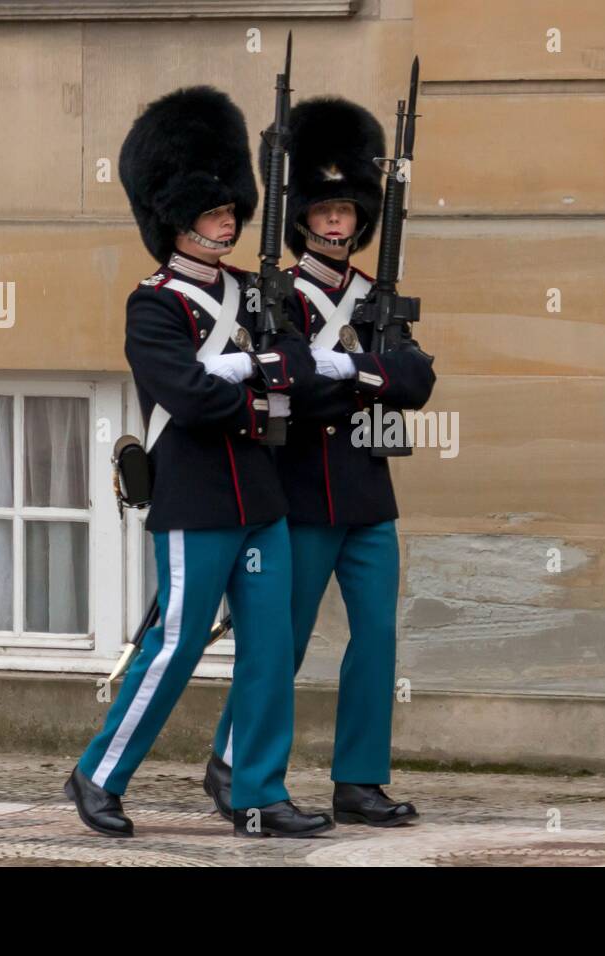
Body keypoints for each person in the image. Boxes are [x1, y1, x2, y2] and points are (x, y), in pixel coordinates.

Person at [64, 85, 330, 839]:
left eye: (230, 212)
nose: (228, 222)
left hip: (260, 497)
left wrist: (277, 370)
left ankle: (257, 788)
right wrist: (259, 385)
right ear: (179, 221)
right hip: (194, 494)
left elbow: (303, 370)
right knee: (176, 643)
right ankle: (100, 772)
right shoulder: (152, 305)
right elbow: (185, 395)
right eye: (215, 214)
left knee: (272, 646)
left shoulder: (257, 291)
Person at [203, 96, 436, 827]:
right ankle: (234, 763)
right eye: (324, 210)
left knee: (376, 639)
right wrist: (361, 375)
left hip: (367, 494)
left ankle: (359, 779)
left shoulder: (374, 295)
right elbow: (291, 383)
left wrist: (351, 372)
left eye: (346, 210)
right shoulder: (277, 294)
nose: (336, 222)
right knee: (283, 643)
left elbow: (417, 380)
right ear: (301, 216)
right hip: (298, 491)